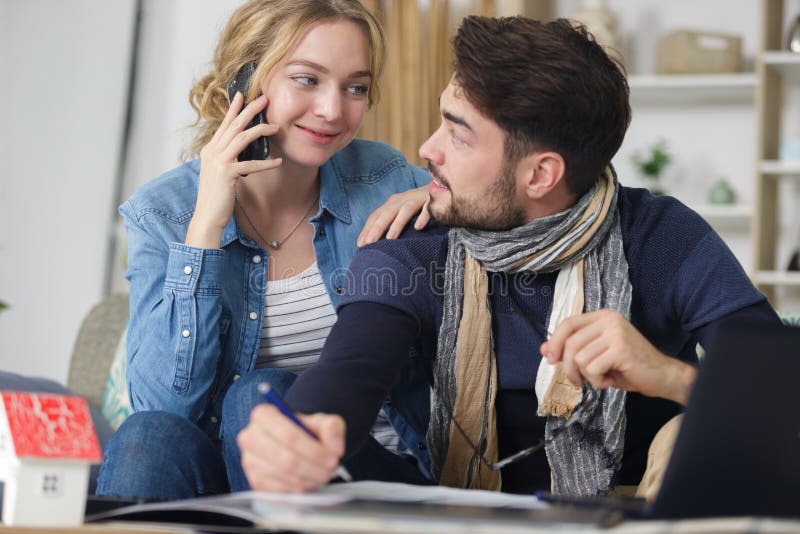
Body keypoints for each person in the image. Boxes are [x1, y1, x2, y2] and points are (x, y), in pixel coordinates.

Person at [237, 16, 781, 496]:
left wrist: (665, 375)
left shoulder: (660, 236)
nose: (427, 149)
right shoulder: (416, 243)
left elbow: (784, 384)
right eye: (441, 120)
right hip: (461, 505)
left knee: (699, 434)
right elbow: (349, 369)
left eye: (459, 135)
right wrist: (305, 433)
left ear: (540, 174)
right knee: (266, 400)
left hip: (630, 506)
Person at [97, 0, 434, 500]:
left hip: (367, 477)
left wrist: (438, 196)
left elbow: (496, 206)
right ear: (247, 81)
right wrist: (206, 228)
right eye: (306, 79)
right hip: (226, 476)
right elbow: (165, 409)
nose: (332, 110)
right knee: (149, 437)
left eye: (355, 87)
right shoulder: (162, 214)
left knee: (259, 398)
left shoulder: (385, 180)